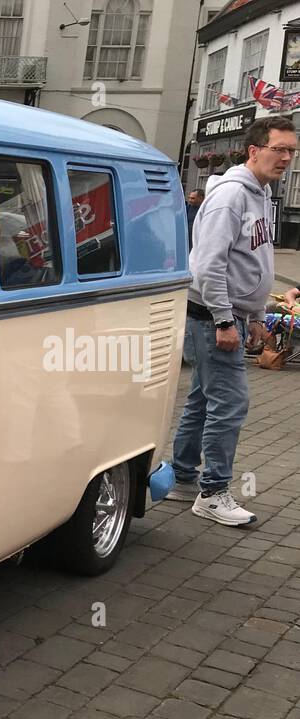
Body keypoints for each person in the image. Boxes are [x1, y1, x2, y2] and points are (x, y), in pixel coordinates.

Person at [170, 116, 300, 525]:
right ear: (254, 150)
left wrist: (257, 315)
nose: (286, 158)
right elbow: (208, 264)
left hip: (229, 315)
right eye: (279, 149)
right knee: (230, 403)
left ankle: (181, 475)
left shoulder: (260, 193)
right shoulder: (232, 197)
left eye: (291, 151)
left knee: (203, 398)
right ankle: (213, 492)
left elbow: (256, 259)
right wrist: (226, 320)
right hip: (213, 316)